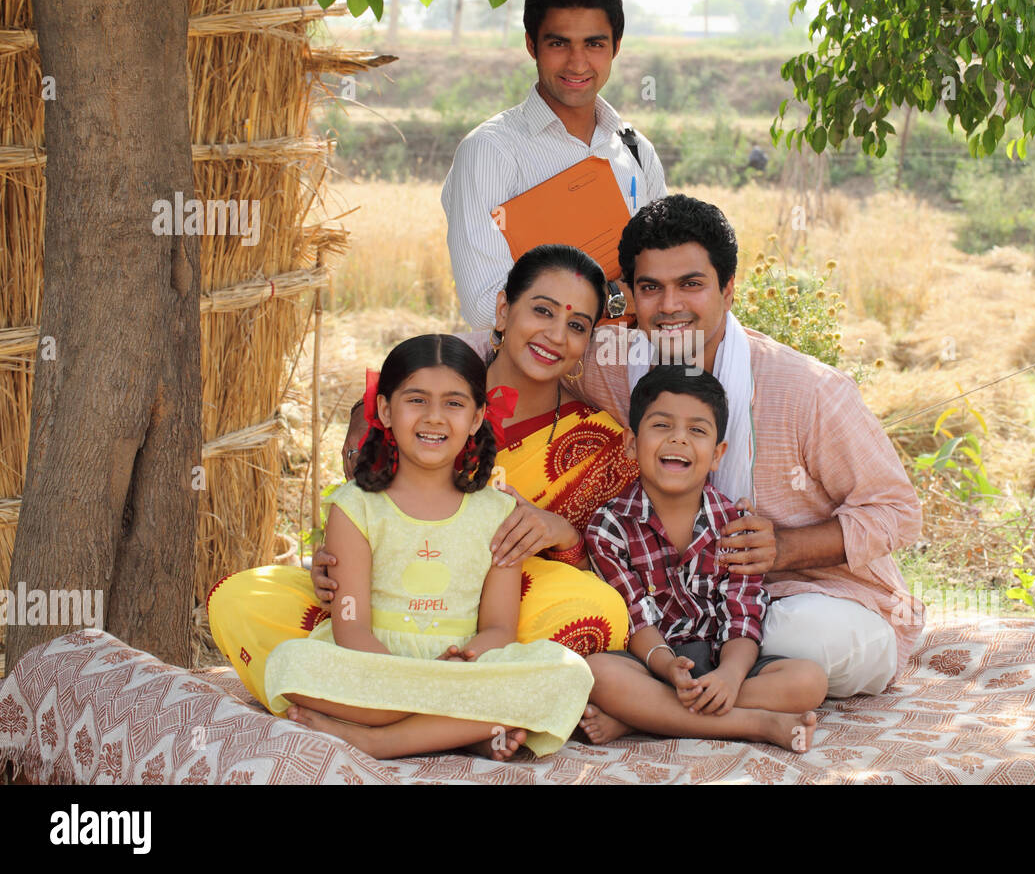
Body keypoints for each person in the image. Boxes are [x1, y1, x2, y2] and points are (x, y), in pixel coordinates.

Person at [207, 247, 637, 710]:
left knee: (598, 609)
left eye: (576, 326)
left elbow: (617, 572)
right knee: (240, 599)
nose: (555, 335)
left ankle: (374, 706)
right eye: (541, 311)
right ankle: (463, 707)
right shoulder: (417, 402)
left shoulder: (601, 442)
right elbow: (358, 517)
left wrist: (562, 532)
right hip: (379, 612)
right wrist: (331, 570)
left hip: (498, 619)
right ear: (503, 310)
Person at [568, 194, 926, 712]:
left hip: (802, 595)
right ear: (629, 294)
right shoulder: (610, 362)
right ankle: (715, 690)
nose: (669, 307)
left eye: (690, 284)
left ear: (729, 289)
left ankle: (659, 702)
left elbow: (898, 512)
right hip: (668, 607)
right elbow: (520, 351)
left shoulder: (808, 390)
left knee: (807, 639)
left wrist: (785, 549)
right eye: (650, 288)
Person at [266, 334, 593, 761]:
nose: (435, 418)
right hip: (371, 667)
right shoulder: (355, 507)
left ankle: (378, 738)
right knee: (290, 666)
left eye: (454, 404)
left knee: (565, 676)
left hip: (461, 669)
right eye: (416, 400)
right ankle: (459, 728)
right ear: (385, 409)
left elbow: (498, 629)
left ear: (478, 417)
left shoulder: (497, 512)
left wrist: (460, 664)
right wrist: (420, 678)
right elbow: (351, 628)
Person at [580, 365, 825, 751]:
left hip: (722, 661)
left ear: (717, 454)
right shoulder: (608, 526)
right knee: (598, 673)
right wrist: (666, 667)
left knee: (808, 680)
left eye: (697, 430)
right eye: (661, 426)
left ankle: (640, 717)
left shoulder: (738, 525)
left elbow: (742, 615)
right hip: (651, 661)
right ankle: (756, 723)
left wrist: (729, 675)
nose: (679, 439)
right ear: (631, 443)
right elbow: (635, 616)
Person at [442, 0, 667, 329]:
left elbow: (666, 280)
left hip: (637, 378)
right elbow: (487, 306)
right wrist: (614, 298)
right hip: (541, 382)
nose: (577, 64)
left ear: (616, 47)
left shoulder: (636, 152)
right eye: (559, 43)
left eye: (594, 44)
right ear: (532, 45)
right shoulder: (490, 152)